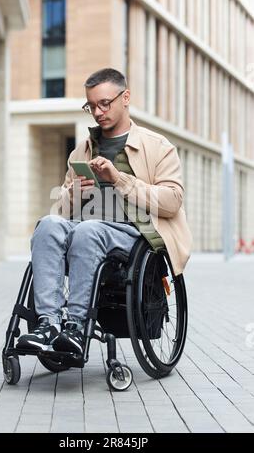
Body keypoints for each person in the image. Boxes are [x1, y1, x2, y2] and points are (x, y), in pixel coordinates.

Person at [17, 68, 192, 355]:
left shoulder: (158, 147)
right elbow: (61, 210)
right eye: (91, 106)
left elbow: (173, 201)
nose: (97, 112)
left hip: (136, 235)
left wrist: (119, 179)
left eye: (104, 104)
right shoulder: (81, 151)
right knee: (47, 224)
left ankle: (75, 326)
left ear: (126, 98)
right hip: (86, 229)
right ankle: (47, 323)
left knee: (89, 230)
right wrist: (74, 194)